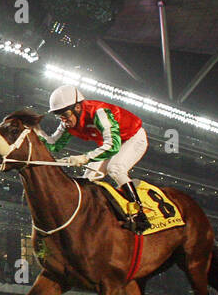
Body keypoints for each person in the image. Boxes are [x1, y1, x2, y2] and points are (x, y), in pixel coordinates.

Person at [41, 84, 151, 232]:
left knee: (115, 168)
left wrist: (85, 158)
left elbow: (113, 146)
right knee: (88, 178)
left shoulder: (99, 112)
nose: (63, 120)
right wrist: (34, 132)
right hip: (112, 143)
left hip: (133, 138)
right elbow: (53, 145)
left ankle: (140, 214)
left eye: (65, 114)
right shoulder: (67, 123)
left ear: (78, 108)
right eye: (59, 115)